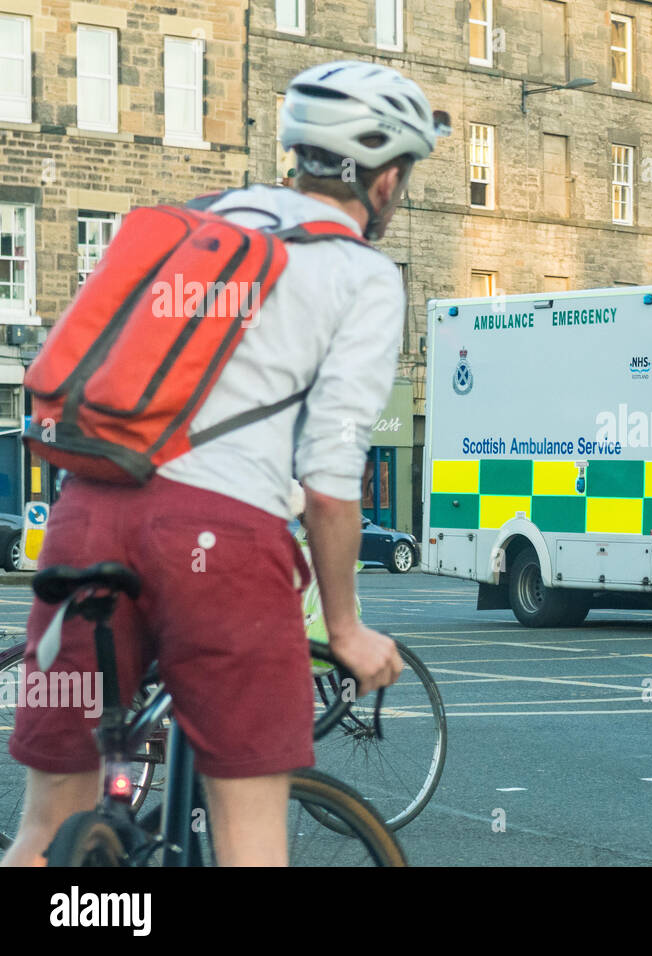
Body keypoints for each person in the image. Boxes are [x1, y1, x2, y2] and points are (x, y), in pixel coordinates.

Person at [2, 61, 447, 867]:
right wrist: (345, 629)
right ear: (384, 178)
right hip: (222, 541)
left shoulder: (194, 221)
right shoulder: (362, 274)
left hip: (85, 515)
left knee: (43, 830)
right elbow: (330, 482)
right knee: (249, 835)